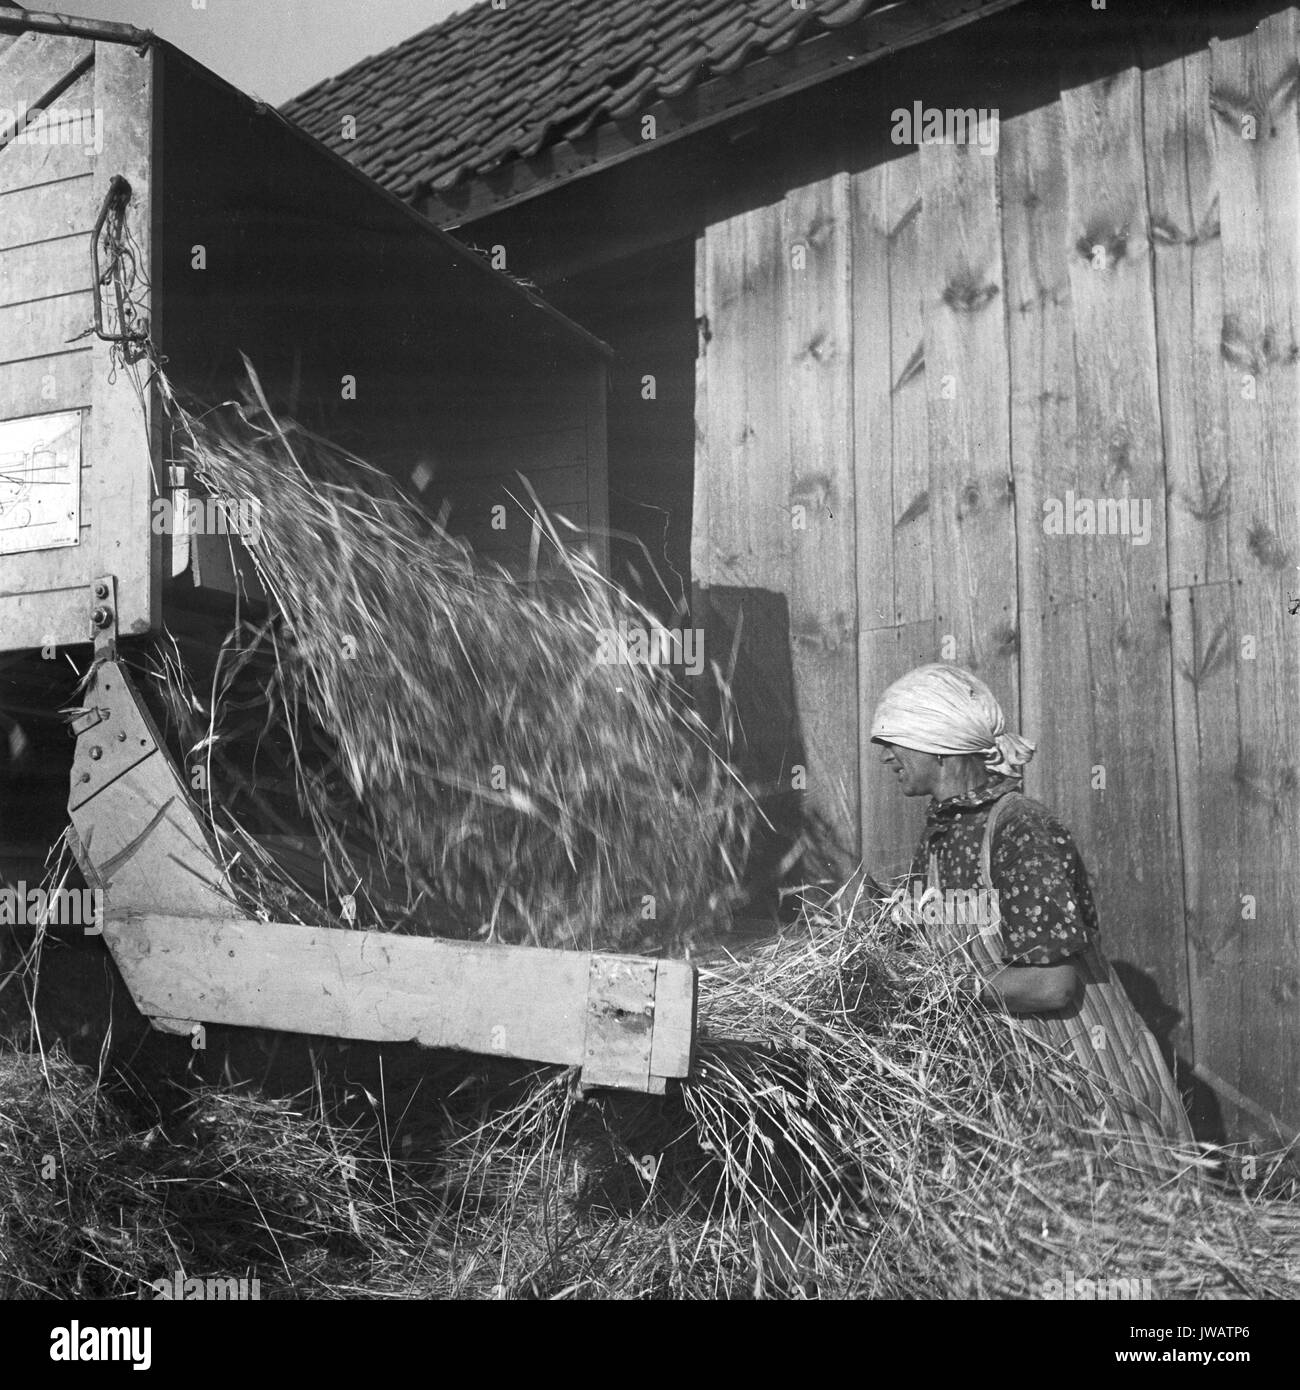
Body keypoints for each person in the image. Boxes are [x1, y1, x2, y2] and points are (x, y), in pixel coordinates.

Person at [870, 661, 1195, 1176]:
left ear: (937, 744)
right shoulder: (942, 838)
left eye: (893, 739)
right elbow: (924, 947)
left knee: (1127, 1232)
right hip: (1013, 1094)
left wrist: (935, 989)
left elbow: (1051, 987)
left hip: (1089, 1087)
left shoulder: (1022, 829)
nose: (884, 754)